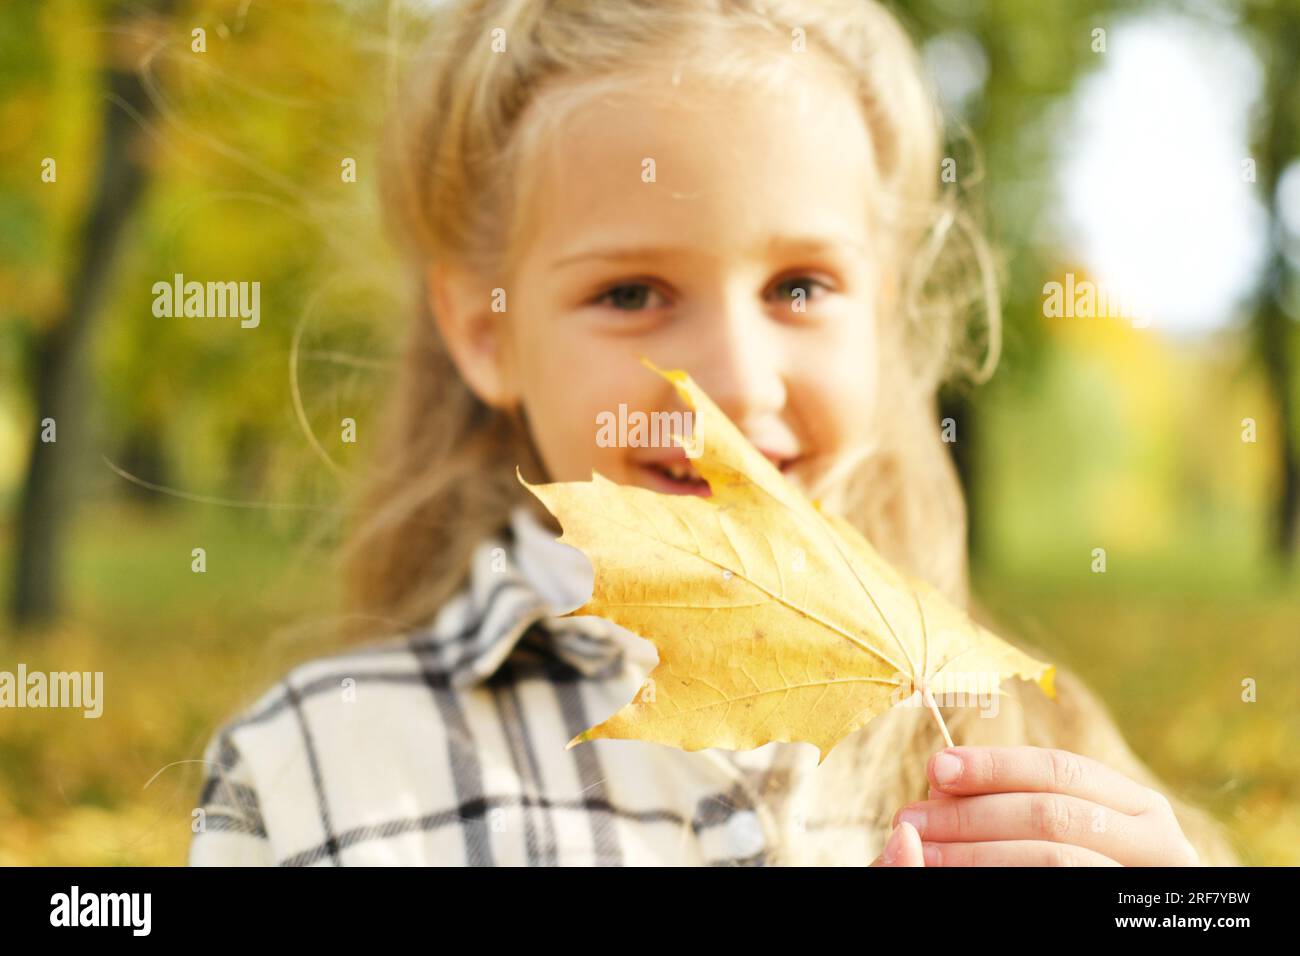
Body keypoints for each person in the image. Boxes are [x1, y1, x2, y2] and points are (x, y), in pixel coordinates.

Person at [188, 0, 1239, 866]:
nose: (735, 383)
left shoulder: (1014, 757)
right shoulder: (319, 773)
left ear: (880, 313)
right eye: (633, 291)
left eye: (799, 285)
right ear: (484, 330)